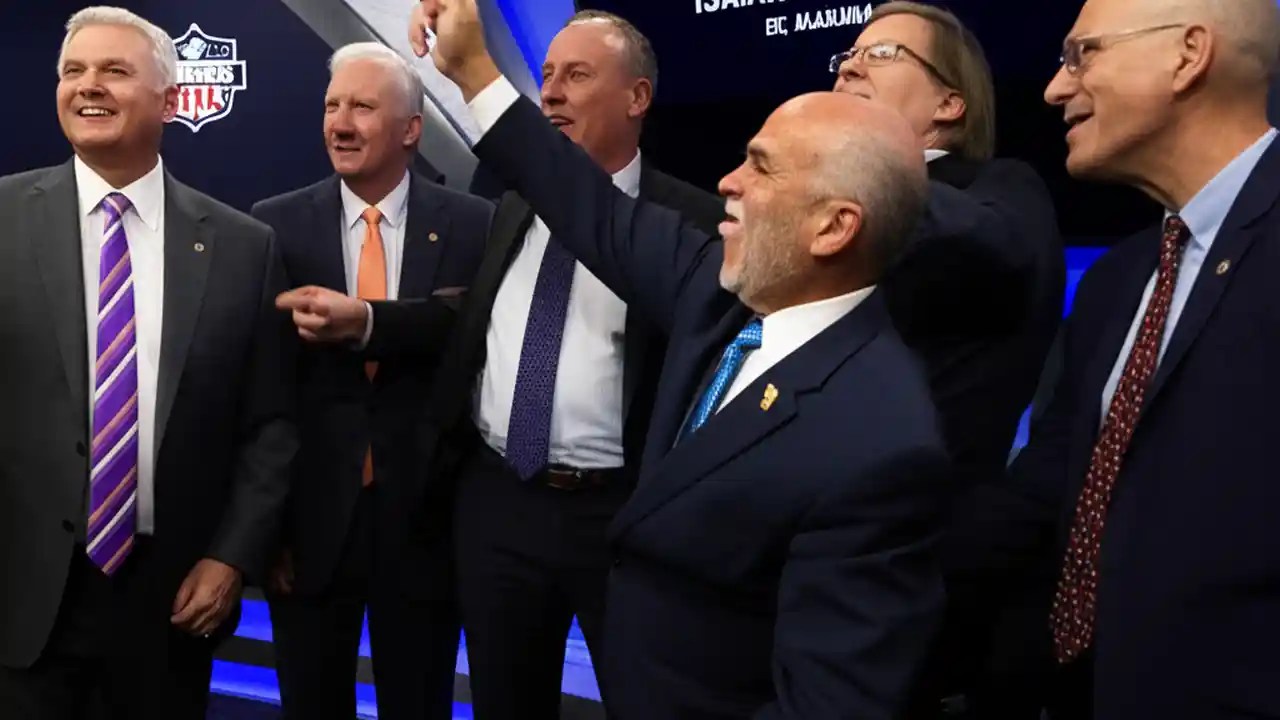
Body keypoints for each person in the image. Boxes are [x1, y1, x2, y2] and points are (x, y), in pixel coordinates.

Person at [419, 1, 951, 717]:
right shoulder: (719, 293)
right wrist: (473, 68)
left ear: (833, 227)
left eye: (760, 167)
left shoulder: (884, 441)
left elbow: (827, 701)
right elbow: (585, 203)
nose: (729, 182)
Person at [950, 0, 1280, 717]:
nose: (1054, 89)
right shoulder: (1116, 281)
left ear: (1188, 54)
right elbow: (1046, 492)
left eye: (1082, 55)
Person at [394, 6, 722, 717]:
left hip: (622, 518)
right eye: (546, 75)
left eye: (576, 75)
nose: (551, 93)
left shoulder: (690, 226)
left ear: (637, 98)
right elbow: (468, 321)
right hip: (498, 503)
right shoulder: (508, 205)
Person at [0, 7, 296, 719]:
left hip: (171, 600)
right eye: (73, 70)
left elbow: (273, 425)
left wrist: (231, 558)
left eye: (114, 70)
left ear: (170, 99)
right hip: (20, 595)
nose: (88, 86)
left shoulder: (243, 247)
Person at [832, 4, 1064, 716]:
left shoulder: (998, 193)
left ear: (949, 103)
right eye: (848, 53)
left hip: (907, 583)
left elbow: (992, 244)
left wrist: (849, 172)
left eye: (883, 53)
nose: (849, 63)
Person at [252, 43, 491, 720]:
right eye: (332, 105)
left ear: (412, 128)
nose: (341, 122)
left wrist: (366, 323)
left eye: (362, 105)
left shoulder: (475, 226)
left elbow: (464, 334)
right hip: (308, 531)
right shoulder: (273, 225)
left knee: (420, 704)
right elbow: (264, 386)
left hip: (426, 527)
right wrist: (269, 533)